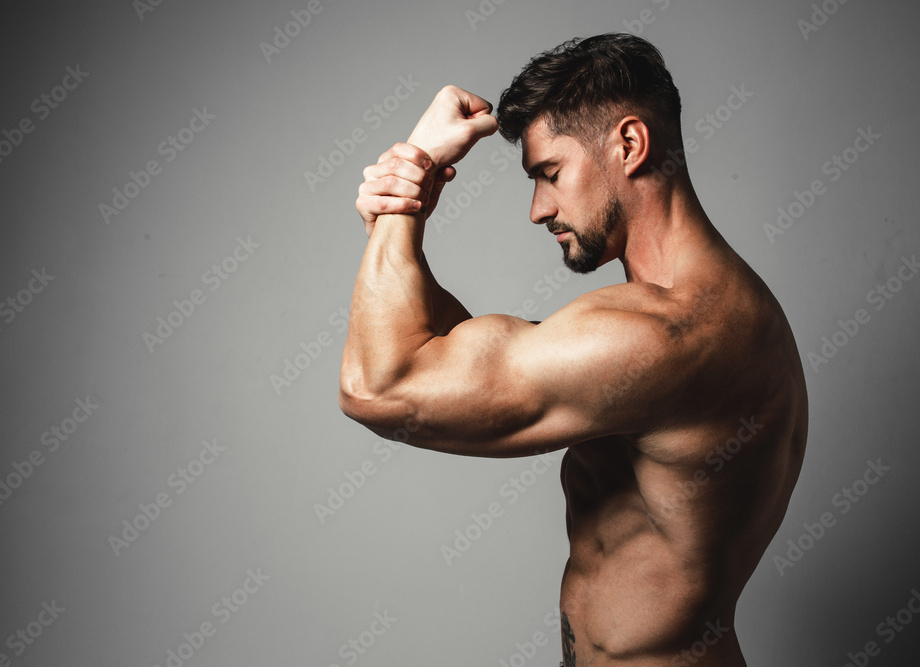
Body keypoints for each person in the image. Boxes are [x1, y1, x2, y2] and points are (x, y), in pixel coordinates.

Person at [338, 33, 807, 666]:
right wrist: (398, 227)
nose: (538, 210)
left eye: (550, 174)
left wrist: (410, 185)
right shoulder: (682, 312)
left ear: (630, 145)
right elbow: (451, 357)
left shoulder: (671, 335)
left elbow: (378, 387)